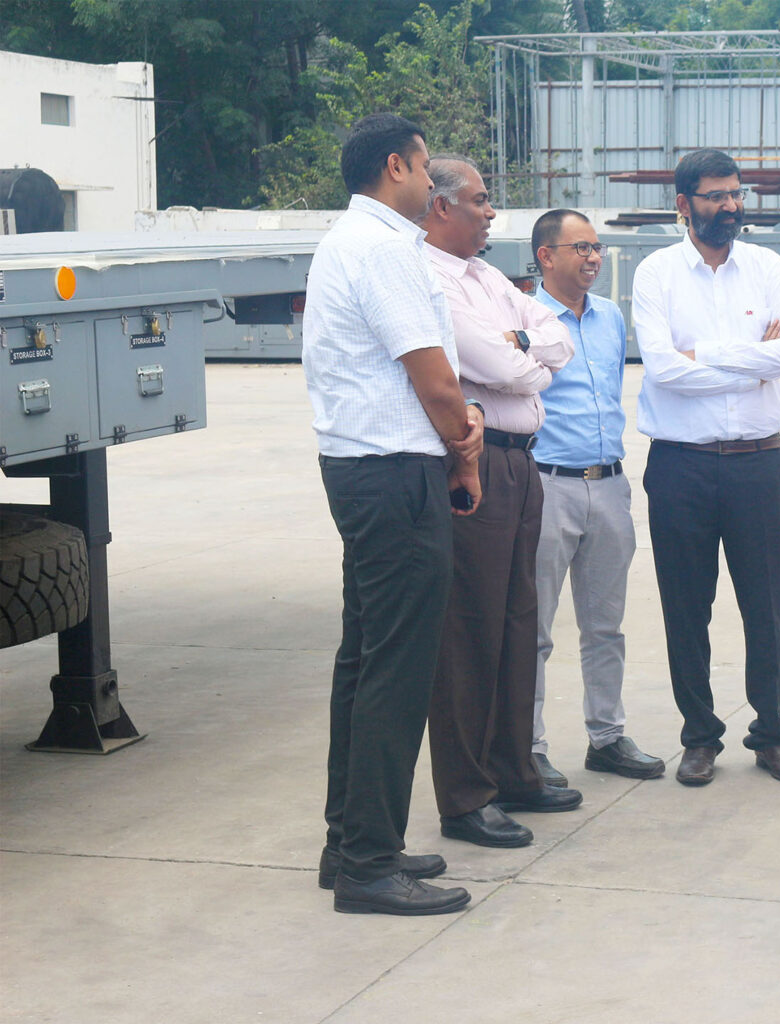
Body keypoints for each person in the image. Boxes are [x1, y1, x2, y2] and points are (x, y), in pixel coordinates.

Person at [303, 113, 480, 916]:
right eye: (422, 166)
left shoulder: (352, 240)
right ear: (395, 167)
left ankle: (351, 845)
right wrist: (466, 445)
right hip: (395, 473)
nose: (431, 181)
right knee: (397, 672)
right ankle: (371, 866)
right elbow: (435, 381)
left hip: (362, 469)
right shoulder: (381, 248)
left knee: (366, 660)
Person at [631, 149, 780, 787]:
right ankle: (700, 736)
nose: (731, 206)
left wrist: (703, 352)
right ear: (684, 205)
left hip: (760, 465)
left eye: (736, 194)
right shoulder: (655, 273)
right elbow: (662, 368)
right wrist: (747, 357)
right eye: (715, 196)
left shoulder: (766, 266)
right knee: (687, 606)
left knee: (767, 605)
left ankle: (771, 734)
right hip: (681, 467)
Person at [422, 156, 582, 850]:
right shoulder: (428, 277)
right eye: (482, 201)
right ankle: (465, 796)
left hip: (524, 465)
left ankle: (514, 768)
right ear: (441, 207)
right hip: (475, 463)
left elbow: (559, 342)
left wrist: (525, 347)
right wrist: (525, 352)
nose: (492, 213)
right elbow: (507, 366)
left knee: (519, 622)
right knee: (470, 632)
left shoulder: (487, 277)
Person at [529, 208, 665, 785]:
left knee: (605, 625)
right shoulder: (526, 318)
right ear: (546, 256)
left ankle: (606, 736)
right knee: (533, 629)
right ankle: (528, 745)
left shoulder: (610, 318)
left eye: (597, 248)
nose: (592, 258)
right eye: (579, 248)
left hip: (608, 484)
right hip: (547, 486)